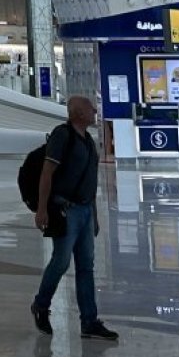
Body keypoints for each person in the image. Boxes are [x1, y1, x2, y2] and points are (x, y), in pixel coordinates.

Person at [31, 94, 117, 341]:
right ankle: (41, 304)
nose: (95, 112)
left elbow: (90, 182)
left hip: (85, 211)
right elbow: (47, 174)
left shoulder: (89, 141)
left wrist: (95, 216)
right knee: (60, 262)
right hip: (66, 211)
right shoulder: (63, 136)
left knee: (86, 267)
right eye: (91, 108)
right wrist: (42, 208)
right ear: (79, 113)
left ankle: (89, 321)